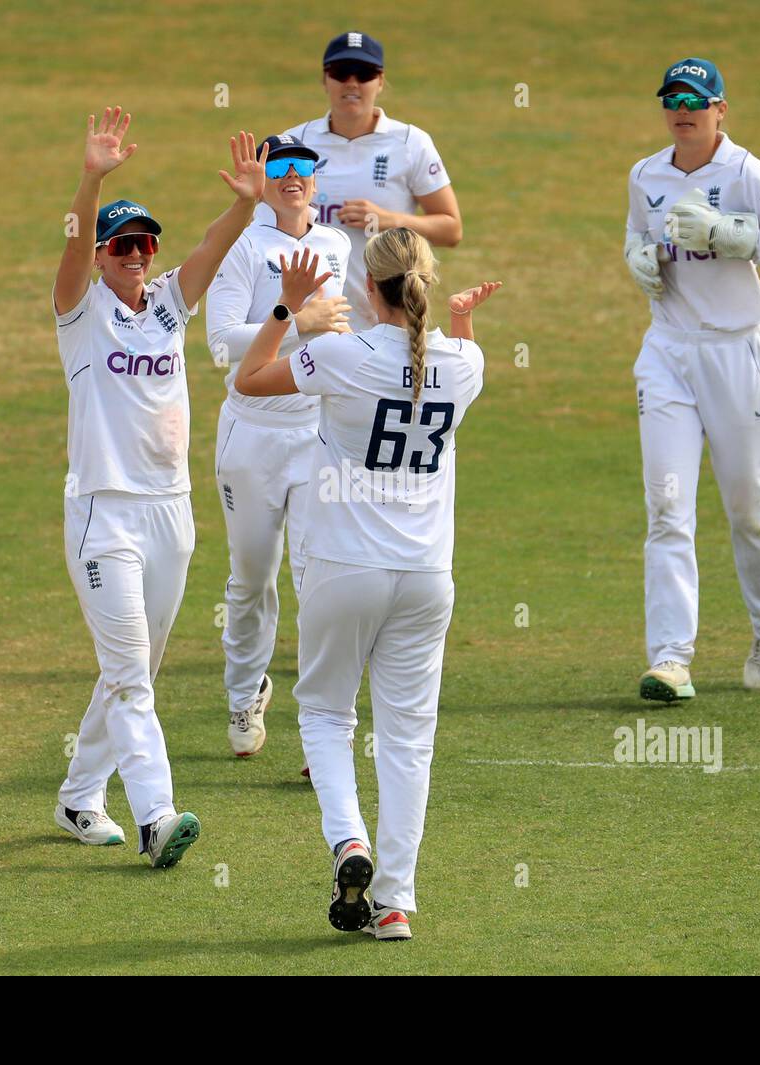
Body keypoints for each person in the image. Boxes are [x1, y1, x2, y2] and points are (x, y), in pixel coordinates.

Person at [234, 228, 500, 941]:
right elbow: (459, 358)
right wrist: (465, 321)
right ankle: (393, 903)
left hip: (342, 569)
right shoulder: (463, 363)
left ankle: (349, 839)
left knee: (324, 715)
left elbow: (249, 379)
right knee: (409, 740)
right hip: (426, 579)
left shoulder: (342, 355)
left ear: (368, 287)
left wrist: (288, 309)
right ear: (427, 284)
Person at [51, 107, 267, 866]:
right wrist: (90, 178)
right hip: (103, 513)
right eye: (124, 245)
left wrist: (246, 201)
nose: (137, 255)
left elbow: (212, 249)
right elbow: (74, 248)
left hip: (171, 513)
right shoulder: (81, 312)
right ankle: (156, 817)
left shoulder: (171, 304)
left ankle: (79, 796)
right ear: (105, 254)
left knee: (135, 667)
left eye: (145, 243)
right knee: (130, 674)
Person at [623, 58, 760, 702]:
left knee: (750, 507)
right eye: (672, 100)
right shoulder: (645, 174)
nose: (683, 110)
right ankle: (671, 660)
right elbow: (636, 232)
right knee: (668, 507)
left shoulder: (745, 172)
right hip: (668, 353)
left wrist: (731, 234)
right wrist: (637, 259)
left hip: (737, 354)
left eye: (696, 101)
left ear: (720, 109)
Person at [204, 134, 352, 758]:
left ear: (316, 179)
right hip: (253, 433)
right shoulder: (243, 246)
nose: (292, 177)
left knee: (320, 573)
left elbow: (352, 325)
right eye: (278, 168)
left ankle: (324, 718)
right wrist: (295, 318)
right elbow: (219, 343)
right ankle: (243, 698)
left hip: (318, 432)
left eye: (302, 167)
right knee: (253, 576)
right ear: (263, 180)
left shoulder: (337, 244)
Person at [283, 31, 462, 331]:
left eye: (364, 73)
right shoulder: (295, 143)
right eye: (341, 72)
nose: (352, 83)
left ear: (380, 81)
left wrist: (388, 219)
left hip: (383, 322)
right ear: (325, 79)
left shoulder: (410, 142)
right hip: (308, 321)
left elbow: (451, 229)